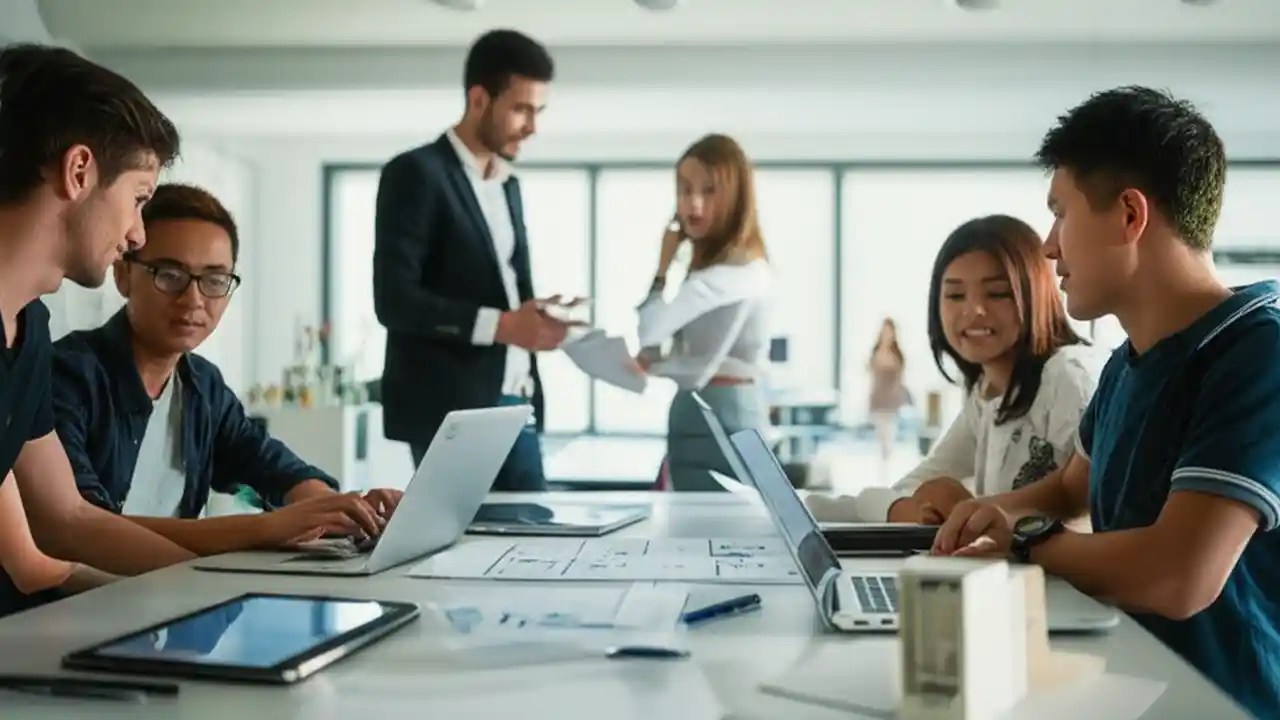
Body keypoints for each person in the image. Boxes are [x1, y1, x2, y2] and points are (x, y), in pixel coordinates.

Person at [932, 87, 1280, 718]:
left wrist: (1022, 541)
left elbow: (1179, 576)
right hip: (1131, 684)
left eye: (1061, 213)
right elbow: (1070, 488)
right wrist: (970, 518)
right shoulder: (1128, 362)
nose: (1049, 246)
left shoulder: (1258, 353)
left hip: (1221, 703)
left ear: (1128, 215)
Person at [52, 183, 402, 557]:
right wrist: (267, 527)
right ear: (123, 274)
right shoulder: (67, 375)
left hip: (171, 596)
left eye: (215, 280)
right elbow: (84, 527)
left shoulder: (203, 386)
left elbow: (274, 468)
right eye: (170, 275)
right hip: (76, 604)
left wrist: (344, 510)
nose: (194, 299)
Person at [0, 43, 197, 615]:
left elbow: (59, 528)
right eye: (138, 199)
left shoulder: (27, 332)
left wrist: (215, 587)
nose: (138, 235)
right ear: (79, 170)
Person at [373, 29, 578, 492]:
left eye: (538, 111)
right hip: (452, 410)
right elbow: (395, 300)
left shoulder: (508, 185)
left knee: (532, 543)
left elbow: (506, 289)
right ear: (480, 99)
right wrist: (504, 325)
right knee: (459, 555)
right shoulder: (415, 174)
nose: (533, 126)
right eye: (522, 109)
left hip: (516, 398)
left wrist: (536, 317)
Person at [809, 216, 1099, 524]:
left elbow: (1077, 501)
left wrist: (940, 511)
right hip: (1006, 570)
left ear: (1036, 293)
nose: (973, 310)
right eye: (955, 295)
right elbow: (916, 485)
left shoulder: (1069, 374)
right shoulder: (986, 393)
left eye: (997, 293)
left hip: (1060, 571)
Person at [634, 134, 773, 492]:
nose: (692, 204)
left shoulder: (727, 276)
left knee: (711, 536)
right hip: (717, 411)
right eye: (684, 189)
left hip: (716, 416)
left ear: (734, 197)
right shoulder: (736, 268)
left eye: (709, 191)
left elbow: (651, 331)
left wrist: (663, 268)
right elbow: (674, 348)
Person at [867, 318, 909, 461]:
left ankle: (887, 459)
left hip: (892, 398)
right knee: (880, 432)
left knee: (890, 431)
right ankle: (882, 459)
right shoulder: (875, 352)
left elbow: (901, 378)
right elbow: (870, 375)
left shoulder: (898, 355)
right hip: (878, 397)